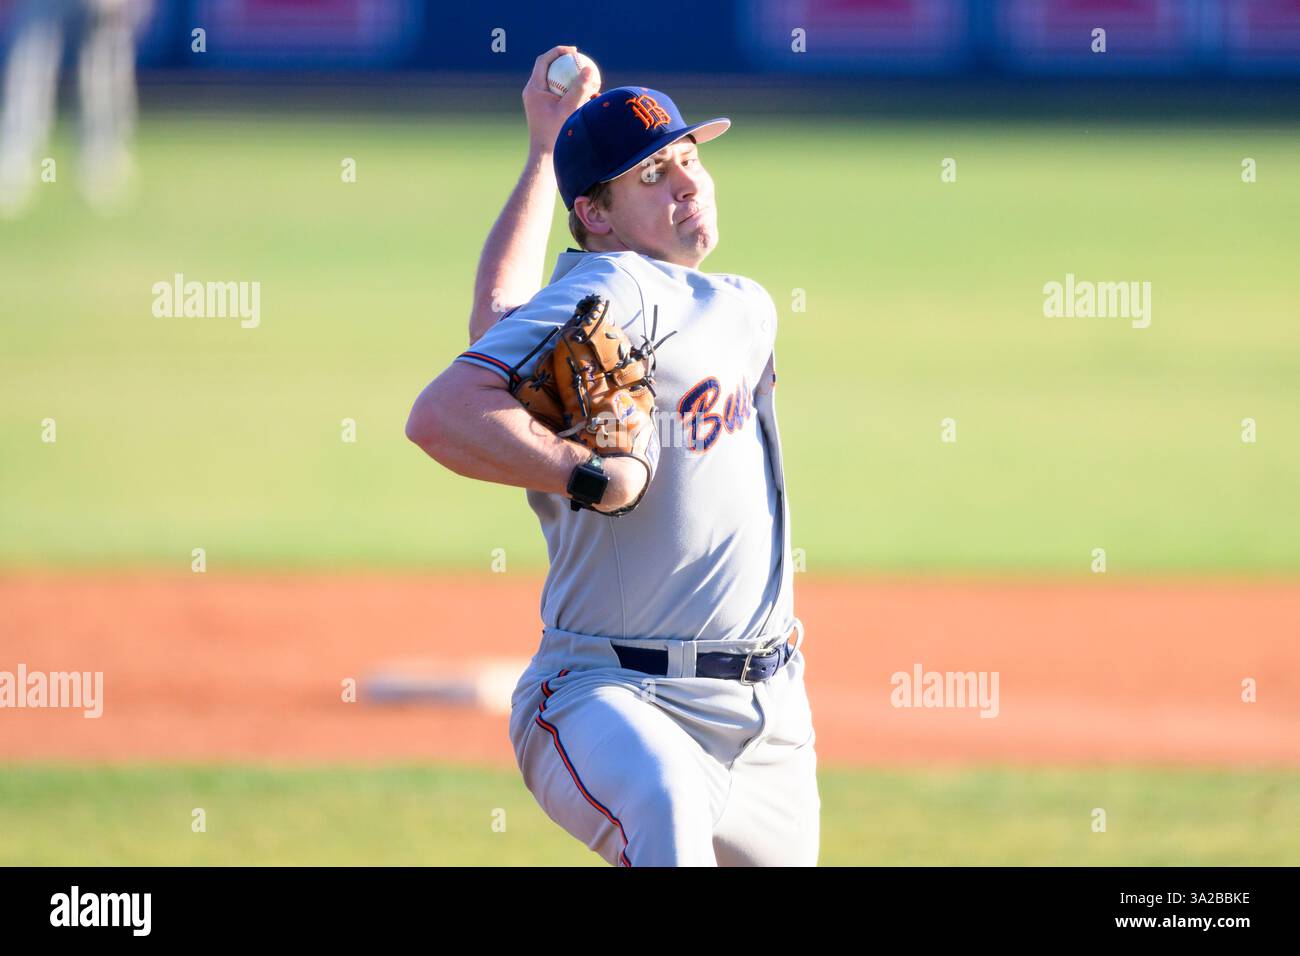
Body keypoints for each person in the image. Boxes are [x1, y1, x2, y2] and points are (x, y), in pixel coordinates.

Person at [405, 46, 819, 866]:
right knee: (663, 807)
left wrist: (540, 151)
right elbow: (442, 413)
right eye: (653, 175)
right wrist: (587, 475)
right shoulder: (614, 289)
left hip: (772, 718)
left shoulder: (745, 307)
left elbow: (495, 321)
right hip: (618, 697)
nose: (688, 183)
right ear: (595, 214)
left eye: (689, 159)